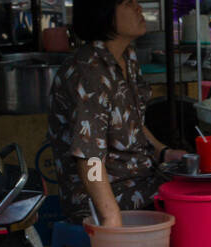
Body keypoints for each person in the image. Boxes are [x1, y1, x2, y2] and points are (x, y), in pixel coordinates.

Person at [48, 0, 187, 227]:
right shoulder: (89, 73)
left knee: (200, 189)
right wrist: (111, 218)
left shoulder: (126, 57)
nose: (139, 8)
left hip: (139, 179)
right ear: (104, 14)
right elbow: (89, 157)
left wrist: (163, 153)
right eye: (128, 3)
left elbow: (130, 121)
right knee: (190, 209)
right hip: (99, 196)